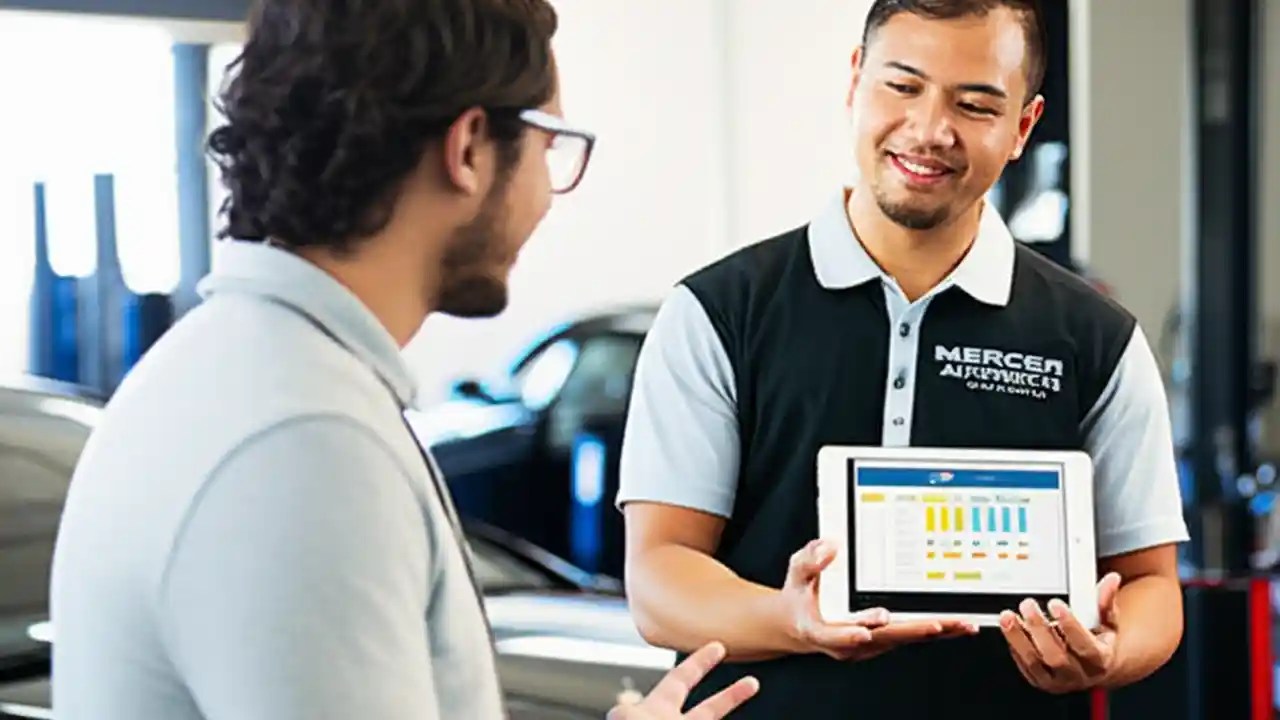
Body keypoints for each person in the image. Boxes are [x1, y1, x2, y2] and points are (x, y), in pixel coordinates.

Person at [48, 1, 758, 718]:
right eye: (549, 148)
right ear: (471, 148)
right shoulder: (307, 444)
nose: (547, 196)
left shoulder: (224, 375)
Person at [616, 1, 1189, 718]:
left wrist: (1108, 651)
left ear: (1024, 126)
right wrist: (793, 621)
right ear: (856, 80)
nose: (929, 130)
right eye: (903, 86)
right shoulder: (717, 313)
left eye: (975, 104)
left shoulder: (1097, 340)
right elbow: (659, 576)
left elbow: (1152, 588)